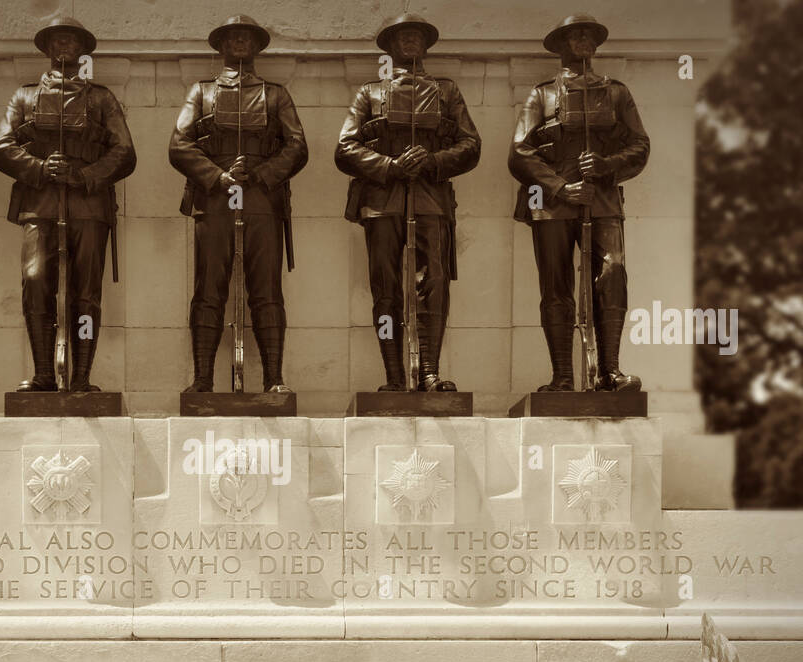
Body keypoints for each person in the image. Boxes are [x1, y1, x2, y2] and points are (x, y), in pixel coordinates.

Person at [336, 13, 481, 392]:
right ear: (390, 46)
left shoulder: (447, 91)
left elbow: (471, 145)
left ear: (426, 44)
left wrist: (433, 161)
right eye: (403, 36)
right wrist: (390, 166)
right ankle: (395, 376)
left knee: (433, 283)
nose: (411, 41)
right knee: (385, 290)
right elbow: (345, 149)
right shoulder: (369, 93)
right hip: (382, 201)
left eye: (417, 35)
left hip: (431, 198)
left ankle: (429, 372)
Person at [0, 16, 136, 392]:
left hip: (89, 205)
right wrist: (39, 168)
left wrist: (86, 175)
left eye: (70, 40)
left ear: (81, 49)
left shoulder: (102, 98)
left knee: (86, 292)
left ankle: (82, 377)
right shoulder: (24, 96)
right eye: (56, 40)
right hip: (40, 203)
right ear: (47, 48)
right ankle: (42, 373)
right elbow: (2, 148)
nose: (63, 46)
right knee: (36, 281)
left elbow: (124, 153)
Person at [509, 13, 649, 392]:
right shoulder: (542, 95)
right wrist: (559, 187)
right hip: (553, 203)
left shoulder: (616, 92)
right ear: (562, 45)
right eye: (575, 35)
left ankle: (610, 372)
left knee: (612, 274)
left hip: (602, 200)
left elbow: (640, 147)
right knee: (555, 286)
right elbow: (520, 153)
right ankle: (563, 376)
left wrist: (608, 165)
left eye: (589, 35)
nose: (583, 40)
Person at [169, 15, 308, 394]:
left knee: (266, 290)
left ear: (258, 45)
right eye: (233, 37)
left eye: (247, 37)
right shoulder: (201, 93)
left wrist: (262, 174)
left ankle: (274, 379)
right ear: (221, 46)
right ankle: (201, 380)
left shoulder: (276, 94)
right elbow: (179, 145)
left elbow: (297, 146)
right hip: (215, 200)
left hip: (262, 198)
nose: (240, 42)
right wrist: (219, 176)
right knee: (209, 289)